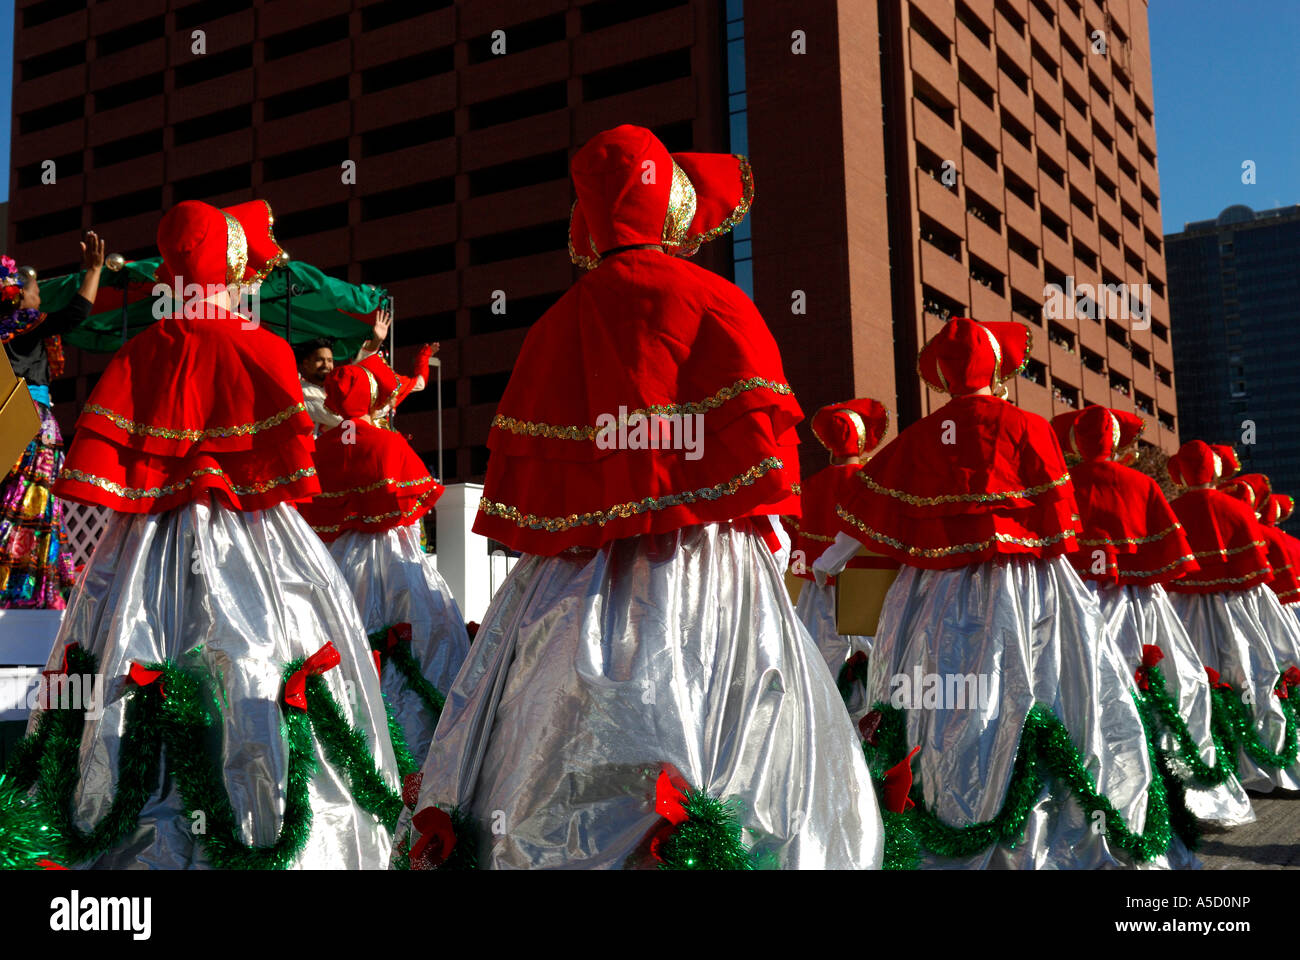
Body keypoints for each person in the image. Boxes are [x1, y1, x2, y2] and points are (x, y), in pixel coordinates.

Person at [404, 124, 883, 870]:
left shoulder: (554, 329)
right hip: (711, 575)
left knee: (540, 740)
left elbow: (537, 506)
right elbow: (763, 476)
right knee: (744, 750)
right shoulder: (720, 304)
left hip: (571, 584)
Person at [19, 199, 400, 869]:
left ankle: (126, 825)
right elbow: (294, 463)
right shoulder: (264, 348)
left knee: (135, 650)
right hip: (260, 541)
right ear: (229, 262)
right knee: (261, 651)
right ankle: (275, 812)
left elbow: (111, 453)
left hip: (148, 548)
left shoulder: (145, 349)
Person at [817, 316, 1189, 869]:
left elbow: (863, 514)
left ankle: (939, 810)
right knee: (1044, 686)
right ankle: (1051, 822)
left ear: (942, 375)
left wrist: (828, 562)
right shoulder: (1027, 426)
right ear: (997, 367)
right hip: (1029, 586)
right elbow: (1058, 519)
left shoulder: (922, 435)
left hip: (933, 593)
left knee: (939, 695)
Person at [1051, 406, 1253, 827]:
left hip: (1077, 606)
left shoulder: (1064, 483)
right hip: (1141, 602)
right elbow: (1173, 555)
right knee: (1177, 684)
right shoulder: (1140, 483)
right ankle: (1177, 781)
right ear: (1117, 442)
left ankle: (1097, 784)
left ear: (1075, 442)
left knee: (1085, 686)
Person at [298, 358, 469, 760]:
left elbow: (310, 510)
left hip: (338, 560)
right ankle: (420, 743)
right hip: (393, 553)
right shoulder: (388, 443)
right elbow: (419, 500)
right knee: (418, 633)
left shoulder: (321, 447)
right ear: (370, 395)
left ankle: (349, 736)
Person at [1165, 442, 1300, 792]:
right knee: (1248, 675)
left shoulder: (1172, 508)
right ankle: (1260, 758)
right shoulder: (1234, 508)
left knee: (1191, 677)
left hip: (1183, 607)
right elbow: (1258, 571)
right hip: (1238, 605)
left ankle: (1202, 760)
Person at [0, 236, 104, 607]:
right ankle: (19, 592)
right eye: (32, 289)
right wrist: (93, 270)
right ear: (16, 297)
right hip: (30, 423)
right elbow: (74, 315)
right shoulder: (21, 323)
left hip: (7, 422)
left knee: (13, 503)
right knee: (32, 503)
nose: (38, 296)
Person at [791, 398, 890, 709]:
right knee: (873, 666)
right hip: (866, 589)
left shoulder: (808, 486)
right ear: (861, 442)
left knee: (818, 664)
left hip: (817, 589)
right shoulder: (874, 484)